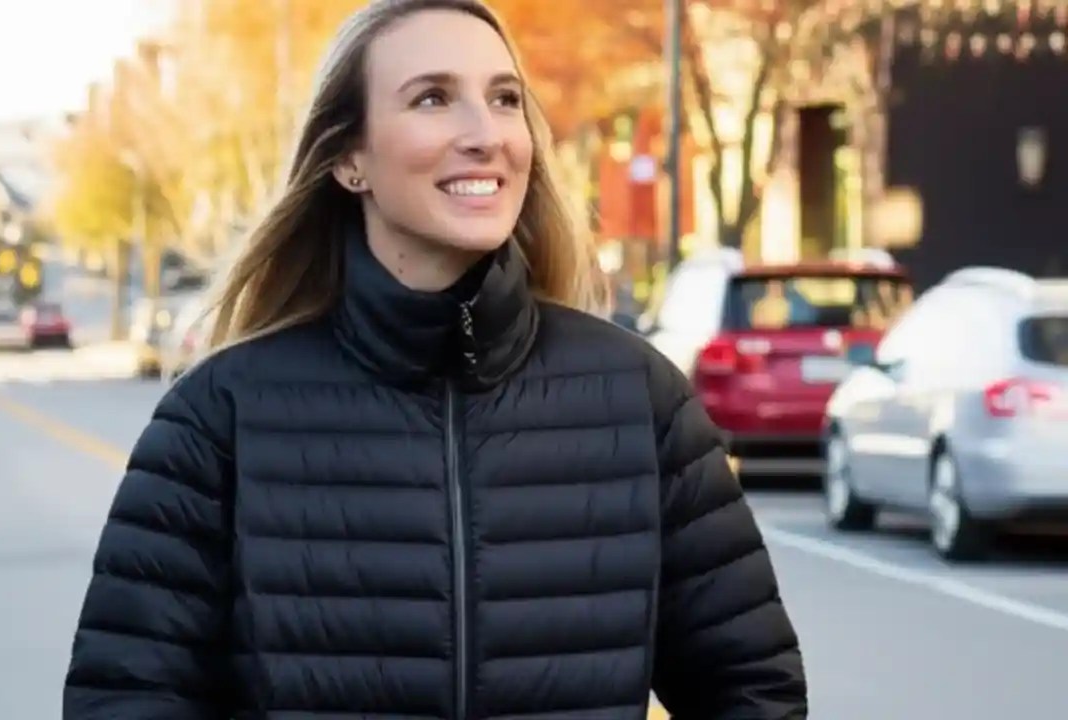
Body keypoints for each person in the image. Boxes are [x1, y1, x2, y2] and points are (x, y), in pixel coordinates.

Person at [63, 1, 808, 718]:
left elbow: (752, 688)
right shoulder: (219, 417)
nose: (486, 133)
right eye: (432, 99)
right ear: (350, 160)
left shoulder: (638, 400)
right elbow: (127, 697)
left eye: (505, 98)